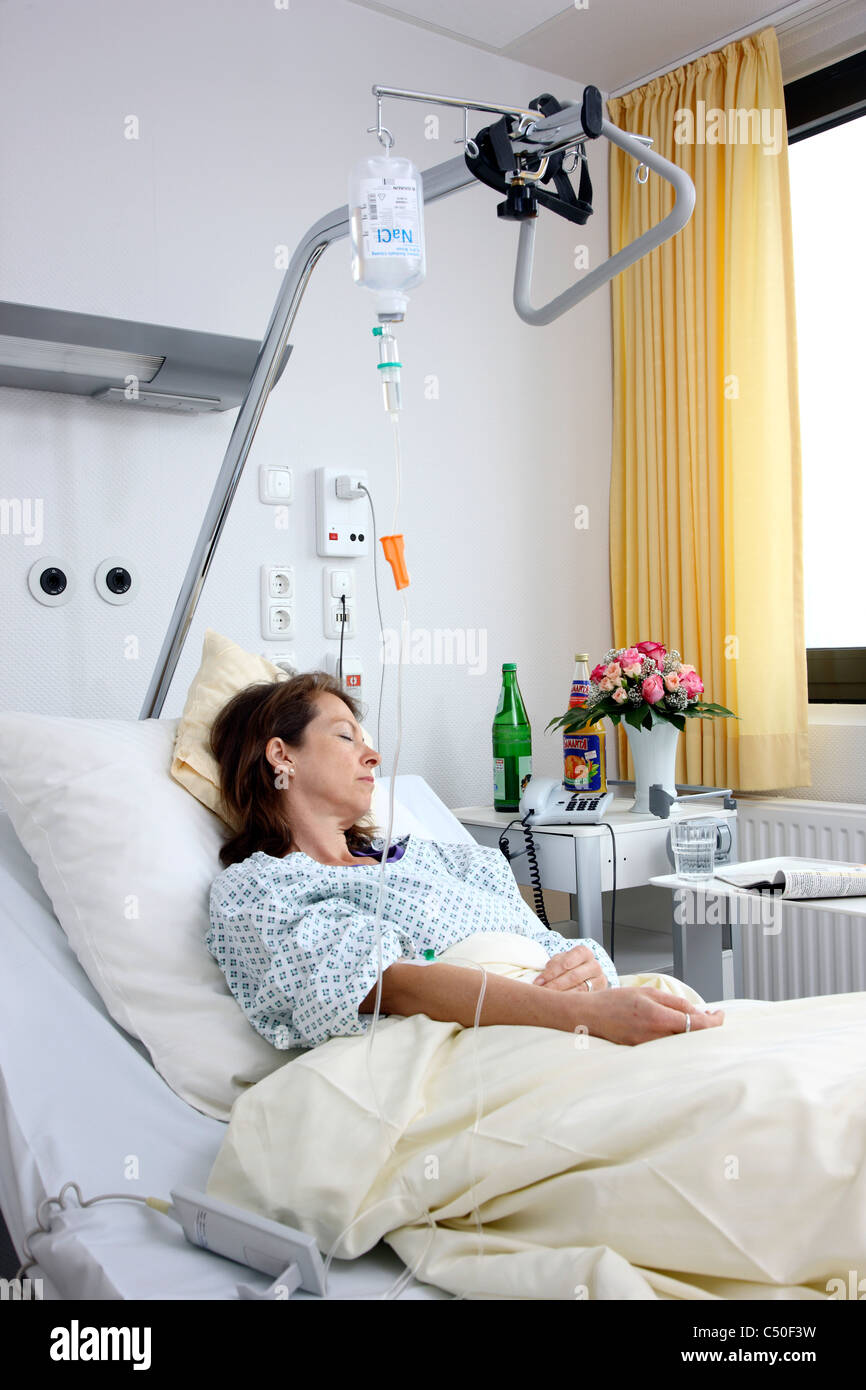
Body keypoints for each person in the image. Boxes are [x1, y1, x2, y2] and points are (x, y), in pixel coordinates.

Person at [206, 672, 724, 1050]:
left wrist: (587, 971)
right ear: (281, 755)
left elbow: (552, 944)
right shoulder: (262, 889)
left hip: (568, 1018)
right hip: (494, 1043)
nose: (373, 756)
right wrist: (579, 1014)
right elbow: (395, 984)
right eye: (346, 737)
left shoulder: (440, 859)